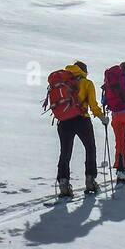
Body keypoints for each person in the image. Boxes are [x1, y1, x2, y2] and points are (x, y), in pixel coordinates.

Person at [45, 61, 105, 196]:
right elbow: (93, 105)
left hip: (63, 122)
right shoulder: (86, 83)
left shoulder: (62, 82)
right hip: (82, 119)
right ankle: (90, 180)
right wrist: (102, 117)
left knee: (65, 152)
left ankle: (63, 184)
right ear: (84, 70)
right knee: (90, 148)